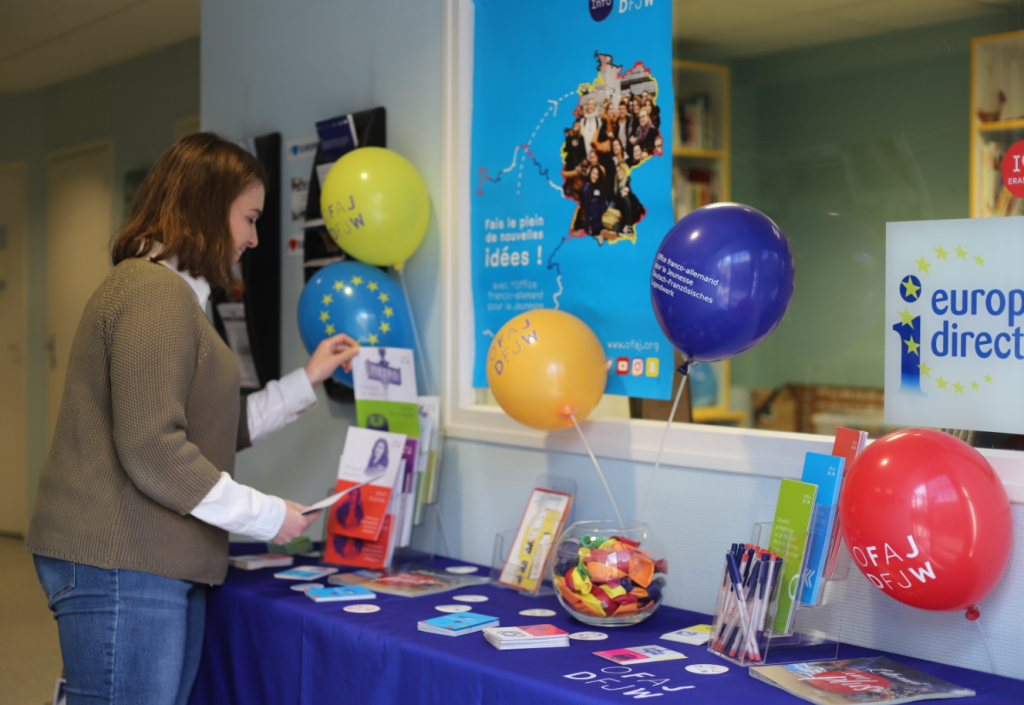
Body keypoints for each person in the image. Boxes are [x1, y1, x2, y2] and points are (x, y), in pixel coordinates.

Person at [24, 132, 361, 705]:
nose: (254, 238)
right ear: (209, 207)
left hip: (150, 558)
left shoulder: (176, 296)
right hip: (120, 557)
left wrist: (307, 381)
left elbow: (211, 428)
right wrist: (265, 515)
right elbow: (154, 448)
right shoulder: (153, 294)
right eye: (249, 218)